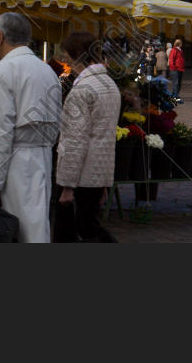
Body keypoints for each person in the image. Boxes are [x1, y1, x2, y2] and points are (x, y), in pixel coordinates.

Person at [0, 12, 64, 243]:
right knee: (36, 226)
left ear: (0, 36)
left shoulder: (2, 72)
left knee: (13, 228)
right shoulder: (47, 72)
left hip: (13, 161)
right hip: (41, 157)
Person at [55, 32, 119, 242]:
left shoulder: (82, 90)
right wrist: (104, 183)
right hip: (98, 173)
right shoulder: (109, 85)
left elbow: (75, 141)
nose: (65, 61)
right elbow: (106, 137)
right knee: (89, 227)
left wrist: (67, 186)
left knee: (79, 231)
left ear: (75, 56)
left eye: (66, 56)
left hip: (81, 176)